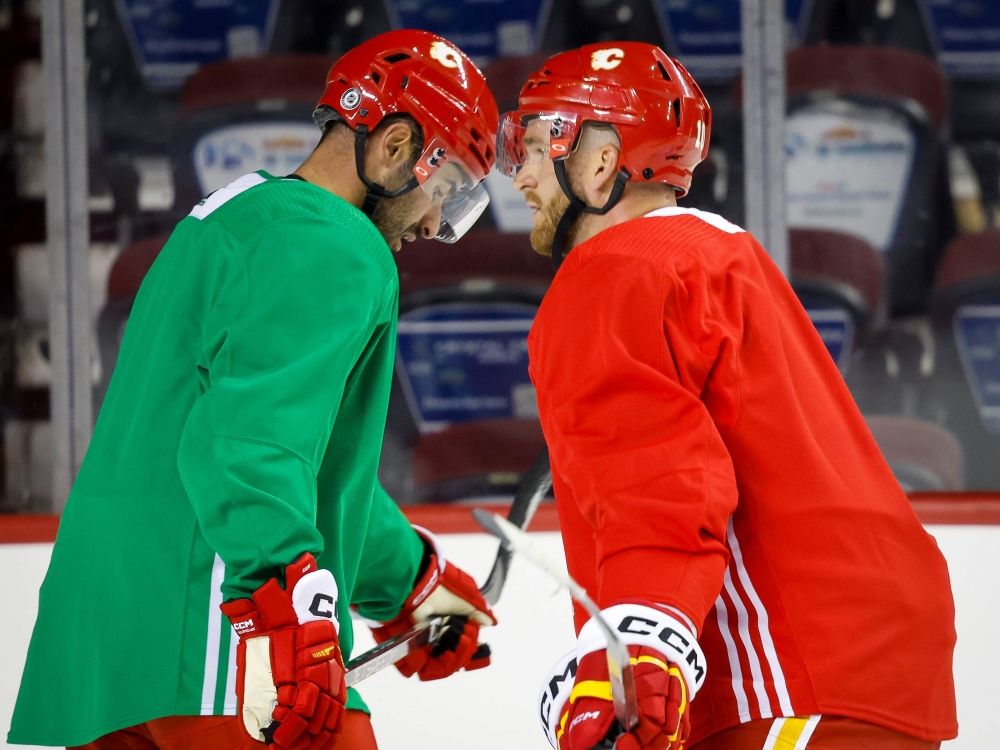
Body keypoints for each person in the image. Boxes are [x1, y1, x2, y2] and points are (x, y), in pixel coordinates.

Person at [8, 29, 499, 750]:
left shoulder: (230, 220)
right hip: (211, 633)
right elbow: (245, 446)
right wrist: (281, 610)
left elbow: (294, 462)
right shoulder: (335, 243)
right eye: (448, 188)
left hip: (108, 650)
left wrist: (410, 582)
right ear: (396, 147)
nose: (437, 223)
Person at [496, 43, 958, 750]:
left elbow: (658, 480)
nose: (521, 175)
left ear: (595, 158)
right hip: (870, 657)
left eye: (533, 145)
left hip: (785, 668)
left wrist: (631, 647)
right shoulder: (718, 252)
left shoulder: (612, 271)